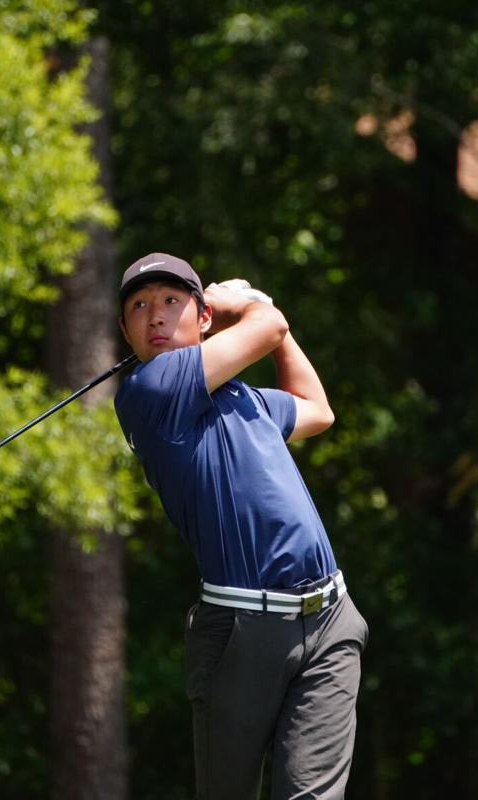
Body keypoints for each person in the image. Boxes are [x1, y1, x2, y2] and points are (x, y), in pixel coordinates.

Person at [114, 252, 368, 800]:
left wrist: (264, 323)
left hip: (330, 620)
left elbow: (316, 409)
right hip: (240, 636)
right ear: (125, 330)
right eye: (139, 306)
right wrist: (247, 304)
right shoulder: (150, 390)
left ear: (201, 317)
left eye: (170, 301)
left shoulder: (245, 400)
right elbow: (269, 324)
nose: (155, 315)